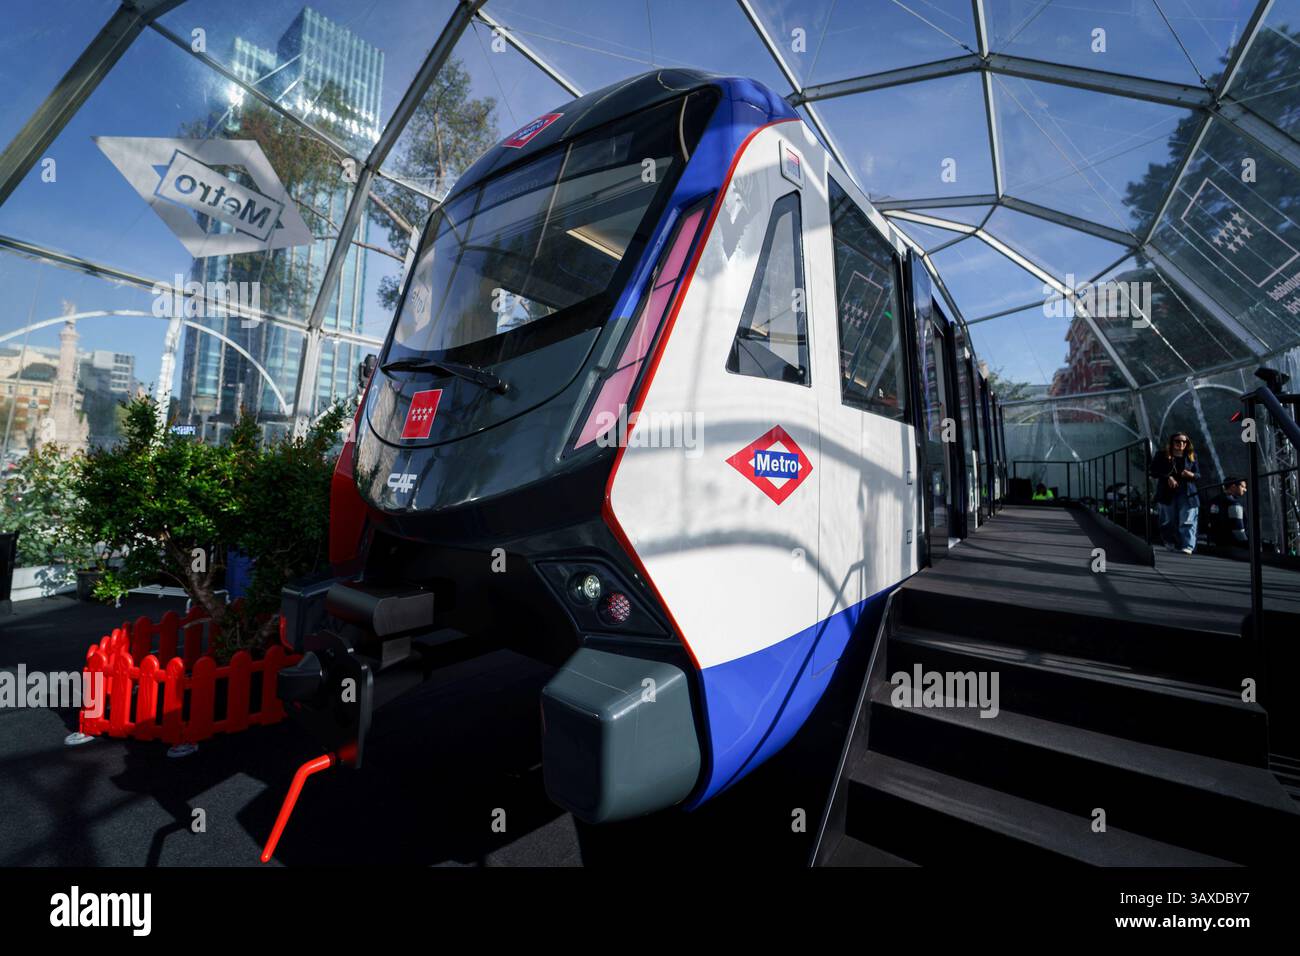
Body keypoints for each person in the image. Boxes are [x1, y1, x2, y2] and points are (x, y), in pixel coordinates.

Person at [1149, 432, 1200, 553]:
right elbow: (1153, 471)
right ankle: (1169, 541)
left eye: (1184, 441)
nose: (1181, 444)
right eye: (1177, 441)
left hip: (1187, 492)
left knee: (1188, 519)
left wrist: (1191, 474)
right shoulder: (1162, 455)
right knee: (1168, 520)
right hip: (1167, 492)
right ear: (1172, 443)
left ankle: (1188, 546)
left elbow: (1198, 475)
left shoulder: (1191, 456)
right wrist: (1168, 477)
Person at [1208, 477, 1249, 551]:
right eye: (1243, 487)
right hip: (1232, 544)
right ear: (1233, 486)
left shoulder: (1214, 501)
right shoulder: (1234, 504)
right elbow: (1238, 529)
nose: (1245, 490)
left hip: (1216, 541)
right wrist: (1246, 544)